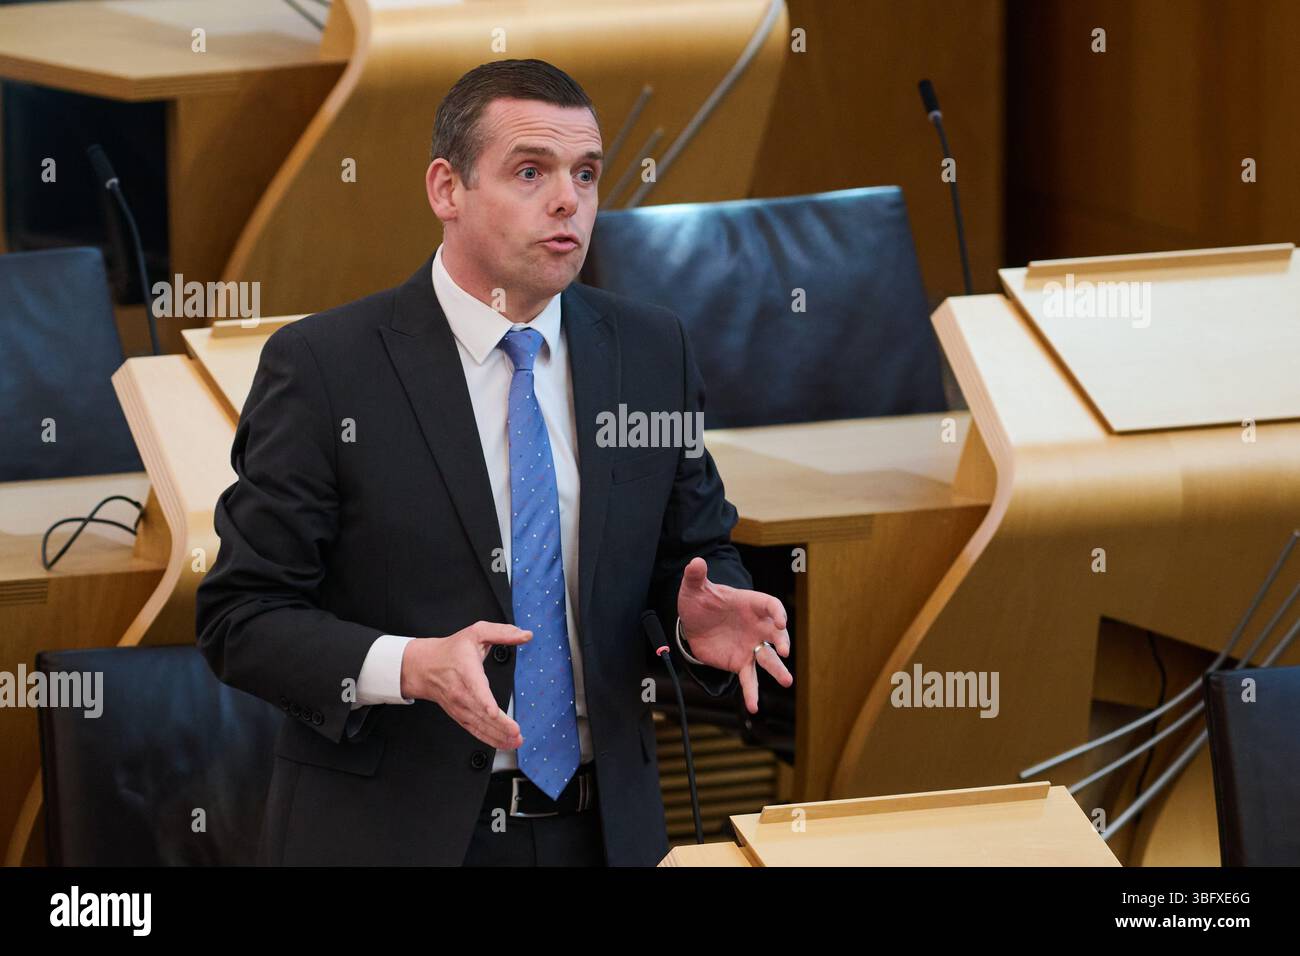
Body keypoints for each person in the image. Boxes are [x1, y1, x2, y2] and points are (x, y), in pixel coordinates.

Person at [195, 58, 792, 866]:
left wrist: (698, 623)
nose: (567, 201)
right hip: (399, 836)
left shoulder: (649, 351)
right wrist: (411, 666)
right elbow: (243, 619)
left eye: (586, 174)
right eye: (529, 172)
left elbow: (692, 556)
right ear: (447, 189)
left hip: (604, 828)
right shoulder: (327, 367)